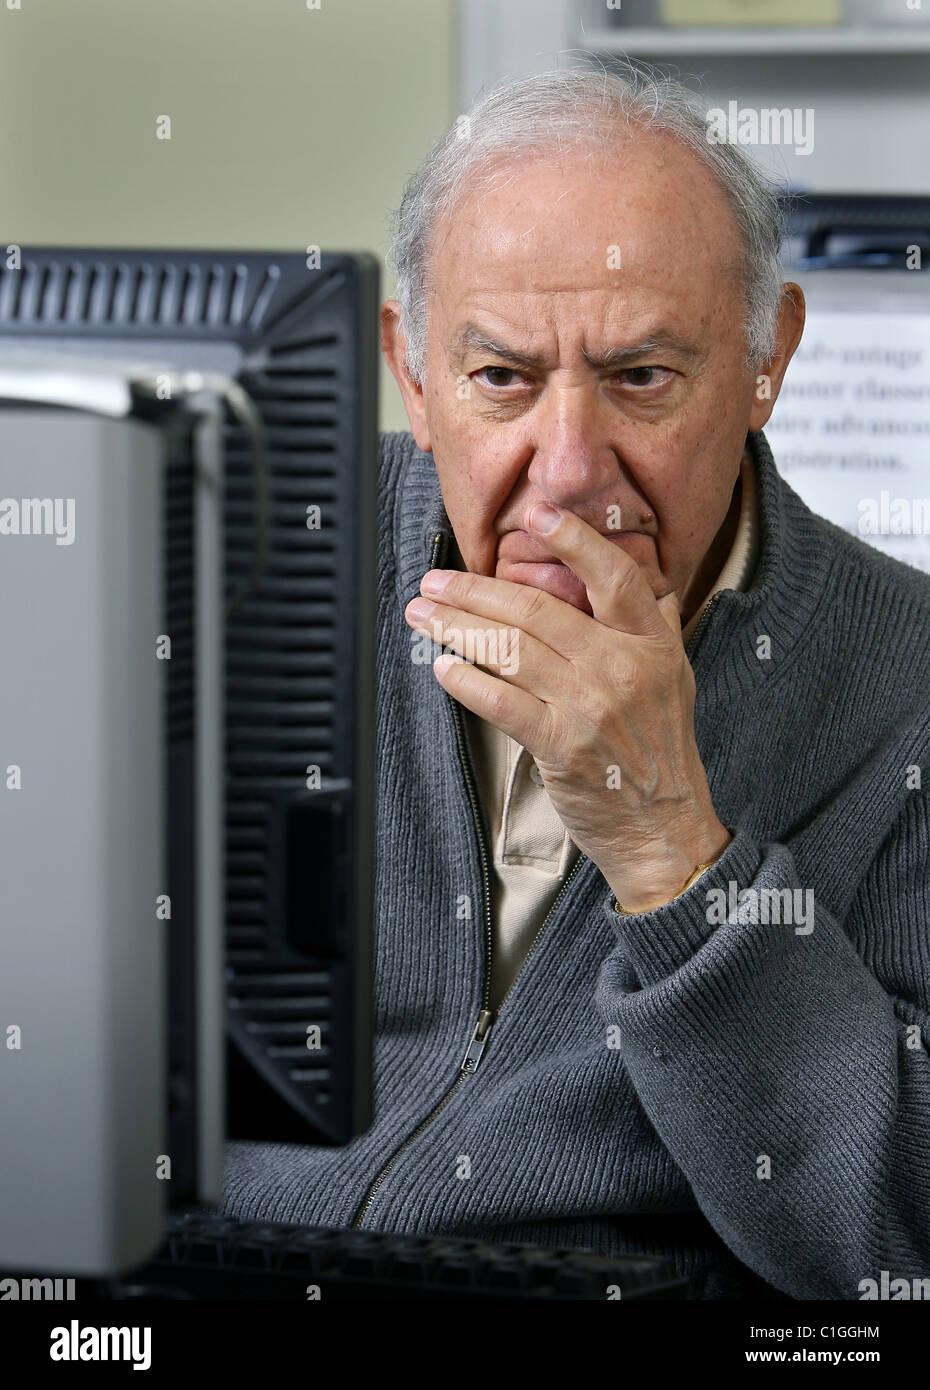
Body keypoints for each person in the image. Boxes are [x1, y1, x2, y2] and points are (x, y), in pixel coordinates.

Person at [221, 65, 930, 1301]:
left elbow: (901, 1243)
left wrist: (676, 856)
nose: (567, 472)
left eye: (642, 378)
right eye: (500, 378)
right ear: (413, 372)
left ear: (770, 359)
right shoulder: (258, 551)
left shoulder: (908, 681)